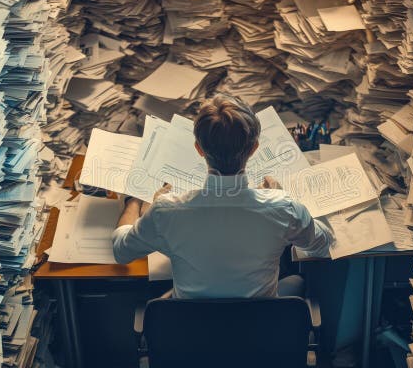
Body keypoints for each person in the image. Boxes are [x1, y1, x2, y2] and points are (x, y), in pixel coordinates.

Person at [111, 96, 332, 299]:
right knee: (296, 281)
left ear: (199, 149)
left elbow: (121, 251)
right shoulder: (284, 208)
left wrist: (134, 202)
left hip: (191, 328)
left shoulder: (165, 210)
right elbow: (322, 245)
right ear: (254, 148)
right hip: (260, 328)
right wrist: (288, 199)